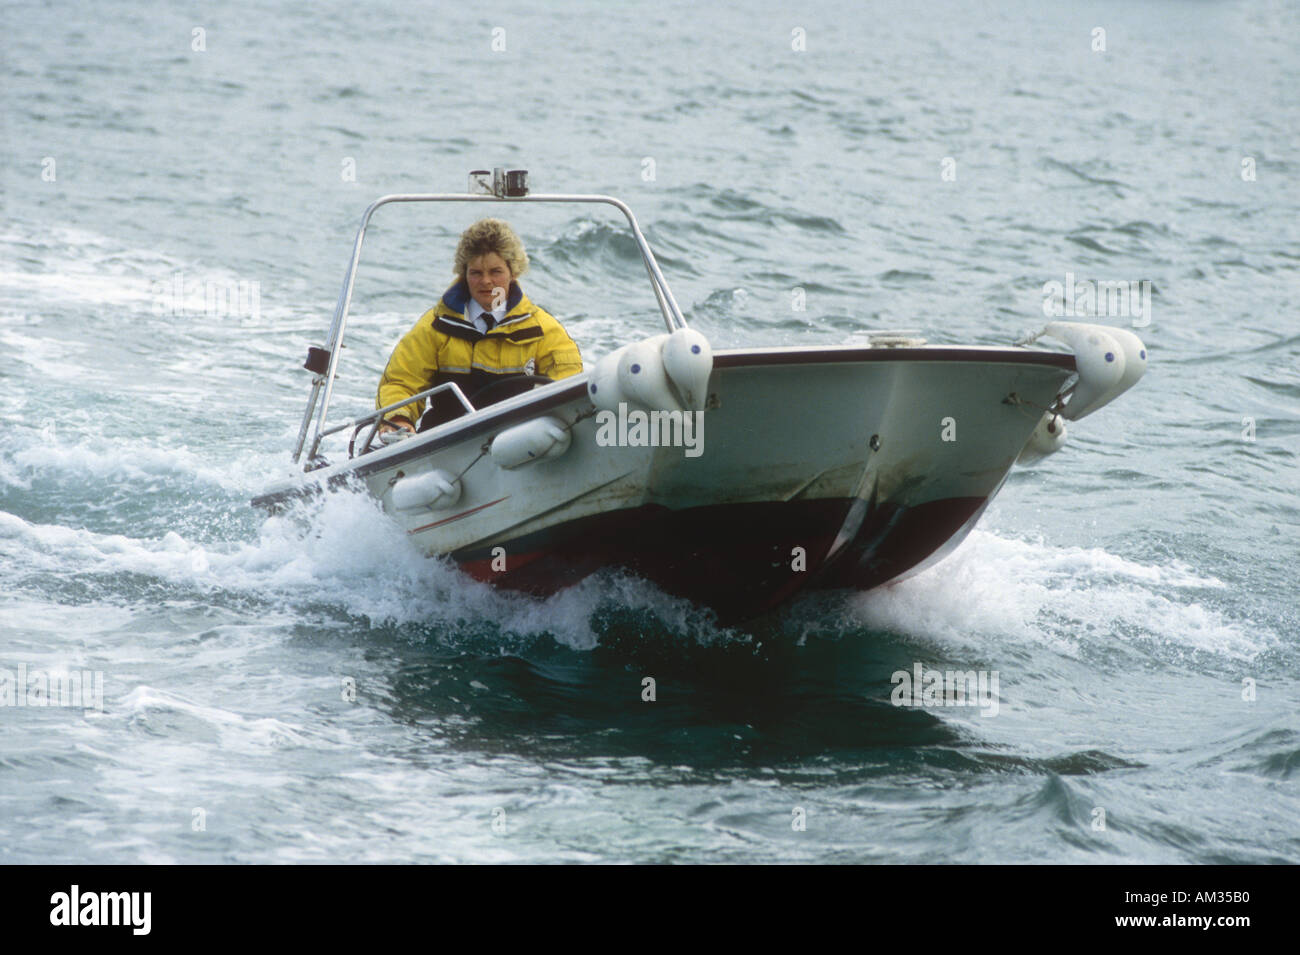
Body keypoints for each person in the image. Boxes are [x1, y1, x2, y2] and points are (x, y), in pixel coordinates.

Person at [376, 218, 582, 433]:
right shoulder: (435, 327)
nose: (486, 281)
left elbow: (568, 385)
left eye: (496, 272)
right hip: (444, 441)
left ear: (513, 273)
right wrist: (399, 419)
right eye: (476, 273)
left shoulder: (544, 331)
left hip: (519, 440)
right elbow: (401, 381)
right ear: (464, 274)